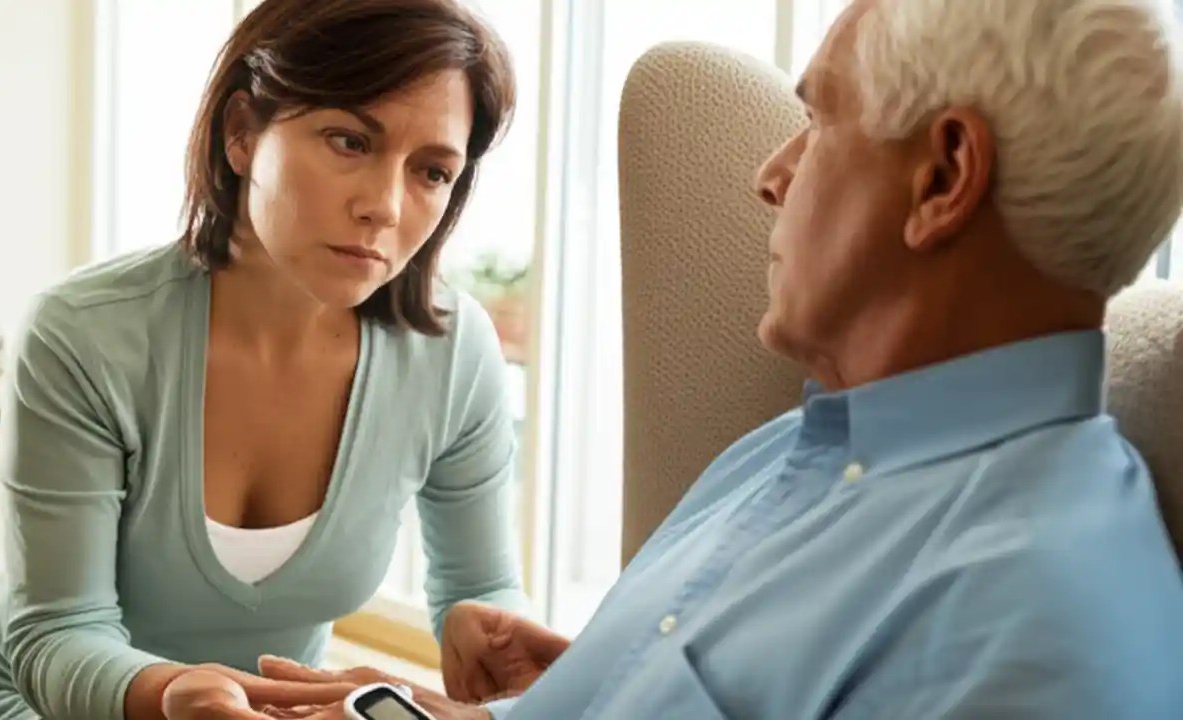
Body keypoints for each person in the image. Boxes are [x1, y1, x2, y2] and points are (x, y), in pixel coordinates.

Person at [256, 0, 1183, 717]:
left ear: (942, 179)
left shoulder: (1037, 629)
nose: (771, 175)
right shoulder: (795, 443)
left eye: (818, 121)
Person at [0, 1, 531, 718]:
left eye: (431, 172)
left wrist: (481, 623)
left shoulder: (454, 353)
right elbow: (57, 631)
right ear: (242, 133)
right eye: (348, 141)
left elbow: (482, 586)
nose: (385, 206)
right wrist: (170, 692)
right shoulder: (84, 335)